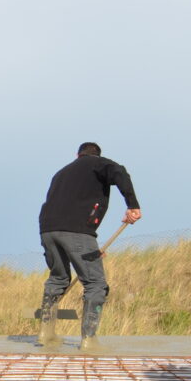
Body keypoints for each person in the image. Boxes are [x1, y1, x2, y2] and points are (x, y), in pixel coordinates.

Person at [37, 143, 141, 351]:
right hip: (77, 232)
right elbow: (120, 172)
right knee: (95, 283)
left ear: (77, 155)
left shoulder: (61, 173)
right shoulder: (97, 164)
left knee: (58, 279)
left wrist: (89, 246)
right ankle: (89, 339)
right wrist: (132, 205)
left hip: (48, 230)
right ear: (96, 155)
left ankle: (46, 334)